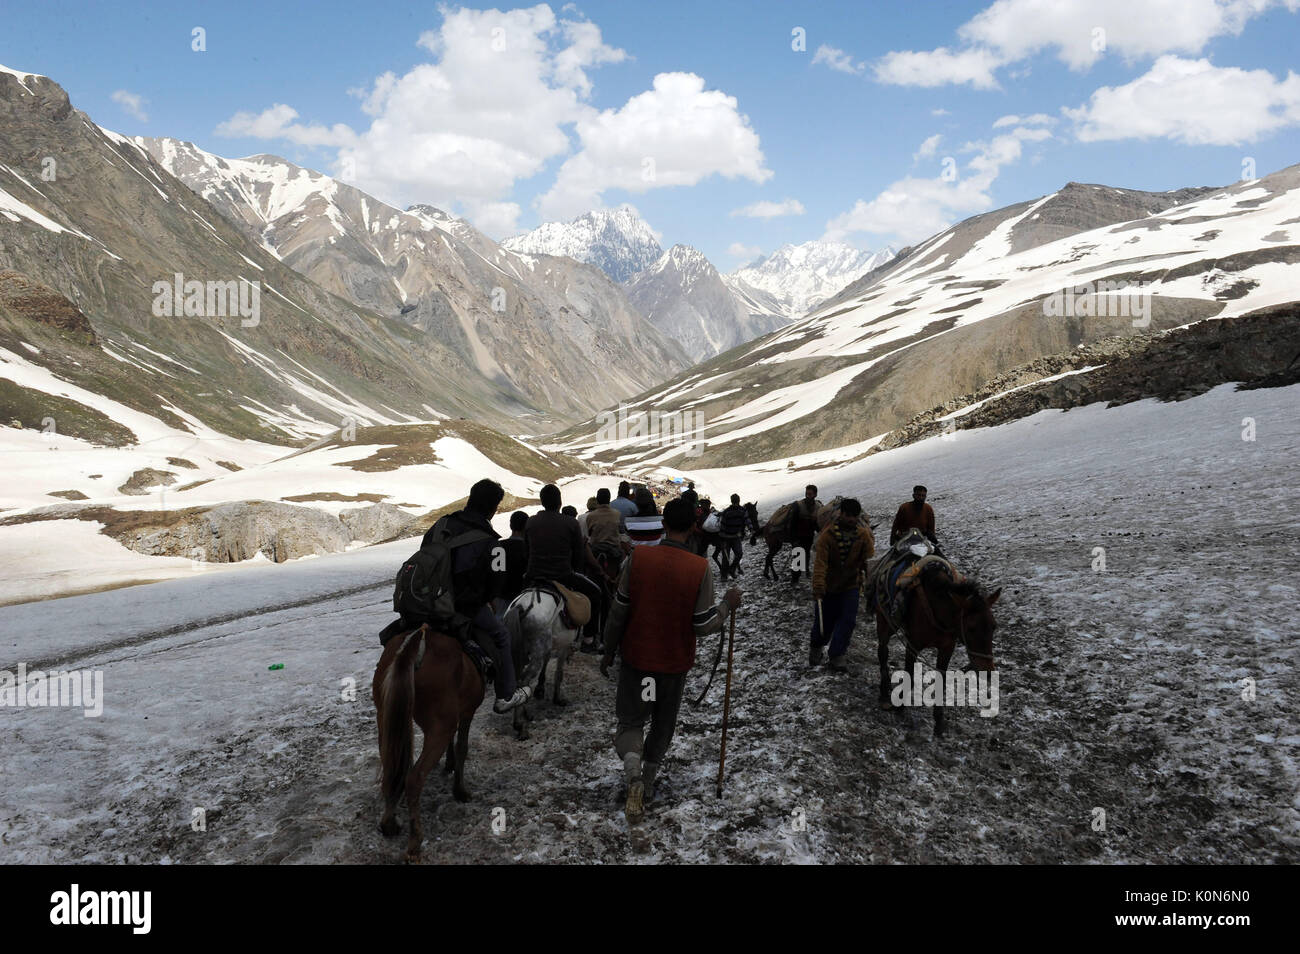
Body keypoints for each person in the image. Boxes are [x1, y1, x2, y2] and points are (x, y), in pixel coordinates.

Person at [600, 498, 742, 824]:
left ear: (663, 525)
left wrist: (609, 649)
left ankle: (632, 772)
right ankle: (646, 785)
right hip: (673, 663)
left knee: (631, 722)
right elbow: (703, 625)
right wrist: (726, 606)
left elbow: (619, 610)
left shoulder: (638, 558)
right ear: (694, 528)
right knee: (662, 725)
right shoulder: (699, 567)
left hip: (637, 658)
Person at [420, 479, 530, 713]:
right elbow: (496, 582)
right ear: (493, 508)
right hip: (462, 607)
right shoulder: (491, 542)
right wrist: (487, 598)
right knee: (501, 635)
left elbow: (424, 555)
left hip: (426, 602)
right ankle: (506, 695)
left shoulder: (442, 524)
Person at [524, 483, 608, 647]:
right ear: (559, 502)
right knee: (596, 593)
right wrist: (576, 572)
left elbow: (526, 552)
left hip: (533, 576)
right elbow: (578, 553)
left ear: (542, 502)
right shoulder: (570, 523)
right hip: (563, 575)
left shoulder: (530, 522)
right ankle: (588, 639)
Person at [809, 498, 874, 671]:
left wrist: (870, 583)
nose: (852, 519)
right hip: (828, 587)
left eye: (855, 516)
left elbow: (869, 558)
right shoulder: (827, 536)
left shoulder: (863, 535)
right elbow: (820, 564)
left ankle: (837, 655)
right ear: (841, 514)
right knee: (824, 624)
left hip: (851, 586)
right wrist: (818, 587)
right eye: (848, 515)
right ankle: (816, 647)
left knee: (848, 621)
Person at [785, 484, 821, 585]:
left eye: (810, 494)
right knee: (798, 557)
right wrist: (794, 540)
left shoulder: (818, 507)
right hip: (798, 537)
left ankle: (804, 572)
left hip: (809, 536)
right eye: (806, 494)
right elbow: (791, 524)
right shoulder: (798, 506)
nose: (808, 496)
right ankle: (795, 579)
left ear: (815, 495)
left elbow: (817, 524)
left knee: (806, 555)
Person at [494, 510, 529, 614]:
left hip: (500, 598)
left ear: (510, 525)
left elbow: (494, 574)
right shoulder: (529, 549)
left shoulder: (498, 546)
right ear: (525, 527)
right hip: (522, 599)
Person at [718, 493, 748, 580]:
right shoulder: (741, 510)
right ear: (739, 500)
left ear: (731, 501)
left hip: (729, 537)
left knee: (728, 557)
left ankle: (729, 571)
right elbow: (747, 521)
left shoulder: (726, 511)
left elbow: (722, 526)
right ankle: (726, 574)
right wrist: (752, 530)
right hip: (731, 537)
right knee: (738, 554)